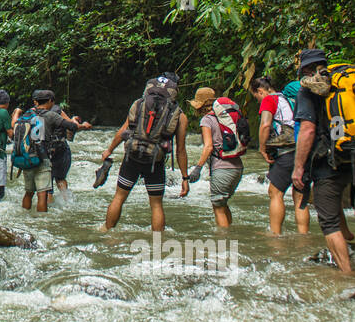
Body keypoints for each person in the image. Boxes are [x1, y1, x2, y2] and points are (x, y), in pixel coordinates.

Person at [291, 49, 355, 272]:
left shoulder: (310, 89)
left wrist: (298, 167)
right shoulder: (351, 83)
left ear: (305, 69)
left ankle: (346, 273)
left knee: (328, 221)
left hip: (328, 161)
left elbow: (307, 130)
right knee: (333, 201)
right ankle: (348, 237)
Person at [97, 72, 190, 232]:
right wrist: (185, 177)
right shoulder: (180, 116)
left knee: (119, 197)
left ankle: (107, 232)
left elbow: (123, 130)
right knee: (156, 204)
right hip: (155, 161)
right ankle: (158, 242)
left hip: (132, 156)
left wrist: (109, 150)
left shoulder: (140, 104)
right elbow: (180, 150)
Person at [250, 75, 308, 234]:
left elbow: (265, 125)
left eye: (256, 96)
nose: (257, 100)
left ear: (260, 91)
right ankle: (304, 235)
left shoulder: (269, 100)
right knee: (300, 196)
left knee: (275, 193)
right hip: (303, 149)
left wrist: (262, 148)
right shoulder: (289, 98)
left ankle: (275, 234)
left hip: (285, 152)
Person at [186, 87, 247, 229]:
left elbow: (208, 147)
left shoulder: (207, 120)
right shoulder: (226, 116)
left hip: (222, 169)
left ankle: (224, 241)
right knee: (223, 204)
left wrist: (198, 168)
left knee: (218, 208)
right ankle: (231, 234)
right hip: (237, 168)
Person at [18, 90, 85, 212]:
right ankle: (43, 219)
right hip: (45, 156)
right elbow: (72, 126)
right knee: (43, 193)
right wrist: (76, 122)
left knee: (29, 192)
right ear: (50, 101)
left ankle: (24, 215)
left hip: (28, 157)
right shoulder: (52, 114)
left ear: (35, 101)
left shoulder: (27, 115)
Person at [45, 97, 91, 199]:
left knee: (47, 186)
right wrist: (83, 125)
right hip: (61, 149)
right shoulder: (56, 110)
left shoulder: (34, 113)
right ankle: (66, 202)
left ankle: (47, 212)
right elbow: (72, 126)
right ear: (50, 101)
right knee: (60, 178)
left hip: (45, 151)